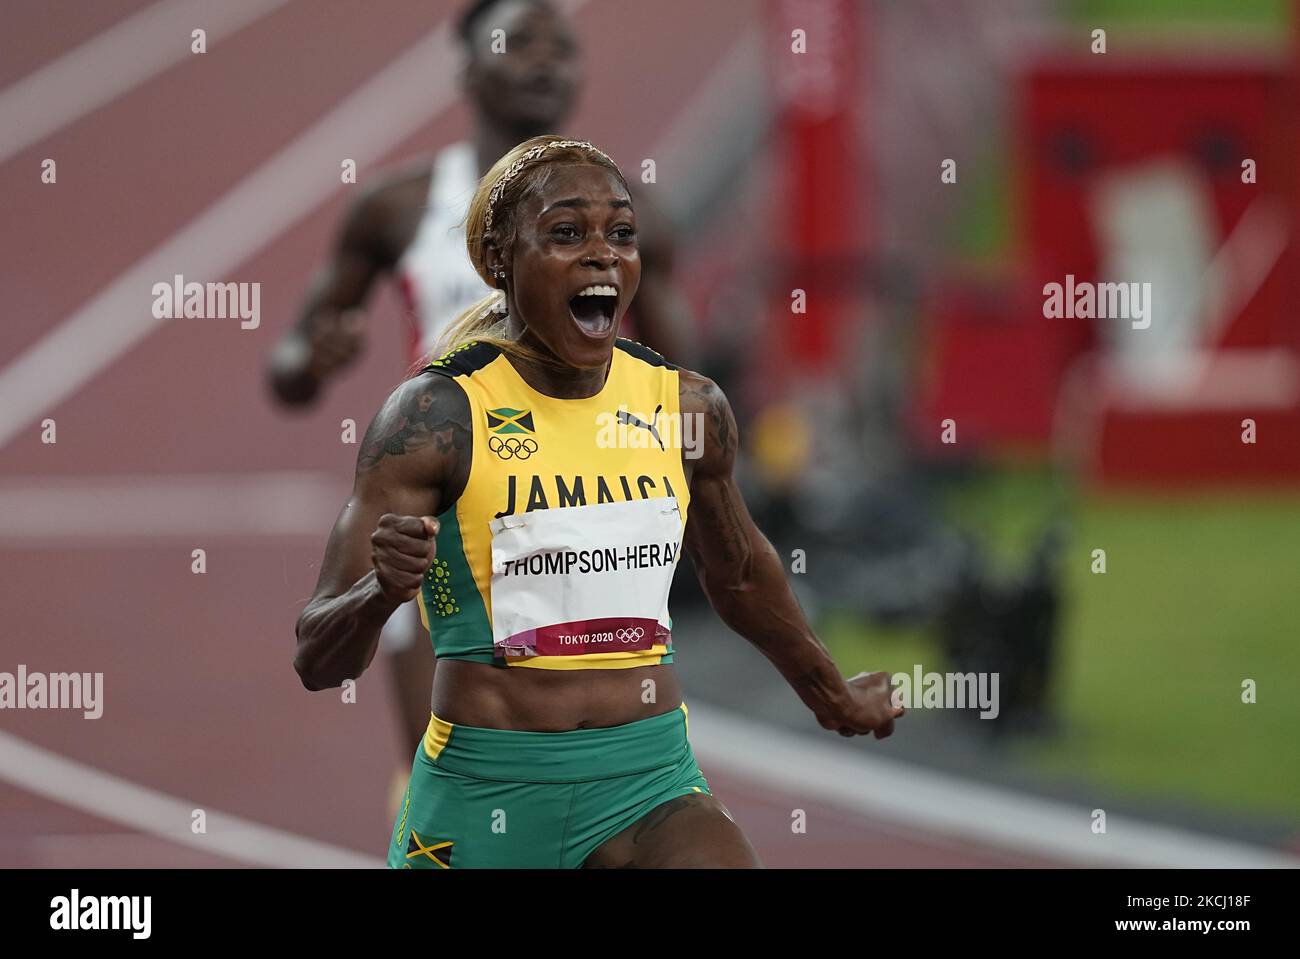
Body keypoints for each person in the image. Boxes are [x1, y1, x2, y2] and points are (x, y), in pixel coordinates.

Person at [292, 136, 902, 868]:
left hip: (647, 784)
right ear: (500, 260)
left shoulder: (684, 407)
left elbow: (738, 572)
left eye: (621, 233)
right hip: (489, 790)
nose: (602, 255)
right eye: (566, 233)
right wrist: (378, 592)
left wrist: (831, 693)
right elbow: (316, 658)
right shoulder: (434, 418)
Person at [265, 0, 697, 784]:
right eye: (519, 42)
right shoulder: (400, 206)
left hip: (579, 511)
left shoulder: (625, 218)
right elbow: (288, 369)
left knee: (594, 781)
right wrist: (313, 357)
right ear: (465, 64)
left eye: (561, 46)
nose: (543, 60)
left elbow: (687, 383)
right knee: (450, 776)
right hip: (437, 508)